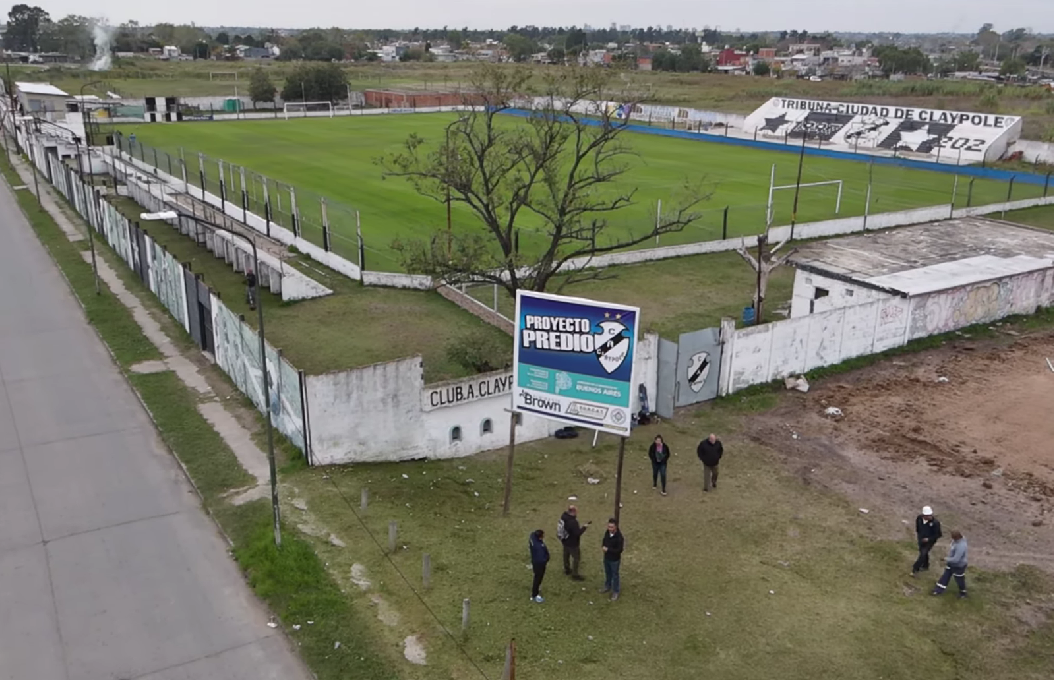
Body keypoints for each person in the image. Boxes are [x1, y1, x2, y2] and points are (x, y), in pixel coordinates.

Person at [932, 530, 968, 598]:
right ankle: (938, 590)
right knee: (945, 576)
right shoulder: (955, 542)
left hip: (959, 566)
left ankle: (963, 592)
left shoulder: (961, 546)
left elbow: (956, 559)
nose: (952, 539)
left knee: (959, 580)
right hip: (951, 564)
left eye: (953, 537)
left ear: (957, 537)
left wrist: (945, 559)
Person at [558, 505, 590, 581]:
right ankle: (575, 574)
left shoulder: (563, 517)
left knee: (566, 555)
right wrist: (584, 527)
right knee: (576, 558)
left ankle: (567, 569)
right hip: (573, 543)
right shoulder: (573, 522)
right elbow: (577, 533)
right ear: (574, 511)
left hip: (565, 540)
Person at [912, 505, 943, 576]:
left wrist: (929, 539)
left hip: (930, 541)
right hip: (921, 538)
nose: (929, 517)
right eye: (927, 515)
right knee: (922, 552)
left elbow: (938, 534)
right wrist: (920, 536)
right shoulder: (919, 518)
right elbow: (918, 528)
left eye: (930, 515)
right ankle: (925, 565)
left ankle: (915, 568)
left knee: (923, 553)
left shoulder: (935, 523)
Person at [600, 518, 624, 601]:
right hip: (607, 558)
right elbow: (604, 540)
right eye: (609, 526)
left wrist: (608, 550)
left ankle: (616, 591)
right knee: (608, 573)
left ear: (615, 527)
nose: (610, 529)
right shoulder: (607, 533)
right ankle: (607, 586)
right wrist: (603, 545)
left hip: (614, 560)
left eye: (611, 527)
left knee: (615, 575)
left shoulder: (619, 538)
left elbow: (619, 550)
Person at [528, 529, 550, 603]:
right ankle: (535, 594)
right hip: (539, 564)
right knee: (538, 577)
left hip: (535, 561)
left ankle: (537, 589)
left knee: (537, 576)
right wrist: (546, 559)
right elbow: (542, 558)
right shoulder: (539, 547)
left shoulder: (532, 538)